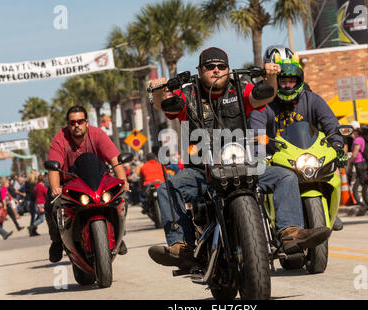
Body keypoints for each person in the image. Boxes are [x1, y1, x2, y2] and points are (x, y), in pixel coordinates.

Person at [147, 47, 331, 269]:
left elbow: (267, 95)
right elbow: (163, 105)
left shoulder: (241, 88)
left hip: (244, 165)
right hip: (201, 171)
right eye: (210, 67)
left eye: (221, 66)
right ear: (200, 69)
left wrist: (272, 76)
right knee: (167, 188)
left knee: (286, 177)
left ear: (228, 69)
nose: (216, 71)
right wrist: (158, 90)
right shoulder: (188, 93)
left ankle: (289, 232)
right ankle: (180, 245)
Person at [249, 45, 347, 230]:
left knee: (331, 173)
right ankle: (259, 221)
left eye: (291, 81)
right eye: (282, 81)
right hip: (275, 159)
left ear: (299, 79)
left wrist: (338, 146)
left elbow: (330, 124)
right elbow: (255, 130)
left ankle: (331, 212)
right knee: (255, 191)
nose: (286, 85)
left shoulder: (312, 99)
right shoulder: (263, 104)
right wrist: (258, 154)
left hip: (308, 156)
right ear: (272, 79)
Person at [45, 105, 129, 263]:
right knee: (50, 205)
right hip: (71, 184)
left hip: (98, 182)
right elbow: (53, 166)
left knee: (122, 198)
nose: (76, 125)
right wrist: (55, 188)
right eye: (72, 122)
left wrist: (123, 181)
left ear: (86, 123)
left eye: (80, 121)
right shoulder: (59, 139)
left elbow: (114, 159)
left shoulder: (98, 134)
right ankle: (56, 241)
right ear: (68, 124)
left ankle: (119, 235)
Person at [347, 121, 367, 193]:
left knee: (362, 181)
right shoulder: (360, 139)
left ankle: (365, 196)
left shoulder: (357, 140)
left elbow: (354, 154)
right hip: (361, 162)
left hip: (359, 162)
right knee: (361, 180)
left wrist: (349, 163)